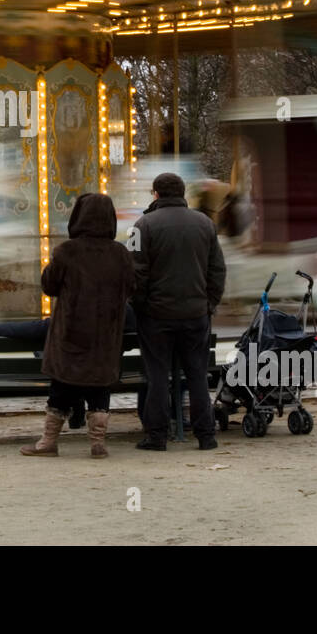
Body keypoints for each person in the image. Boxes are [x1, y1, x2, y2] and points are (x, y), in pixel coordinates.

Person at [20, 193, 135, 459]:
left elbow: (49, 286)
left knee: (60, 387)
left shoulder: (67, 251)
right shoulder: (120, 254)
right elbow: (133, 287)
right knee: (100, 385)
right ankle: (97, 443)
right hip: (105, 336)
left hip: (70, 334)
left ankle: (48, 442)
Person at [129, 172, 226, 451]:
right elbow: (217, 270)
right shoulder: (205, 224)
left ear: (155, 194)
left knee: (157, 376)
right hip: (196, 314)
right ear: (183, 194)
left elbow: (136, 274)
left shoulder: (142, 226)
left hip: (157, 316)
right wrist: (208, 303)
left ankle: (157, 436)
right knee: (196, 375)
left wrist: (143, 305)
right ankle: (206, 436)